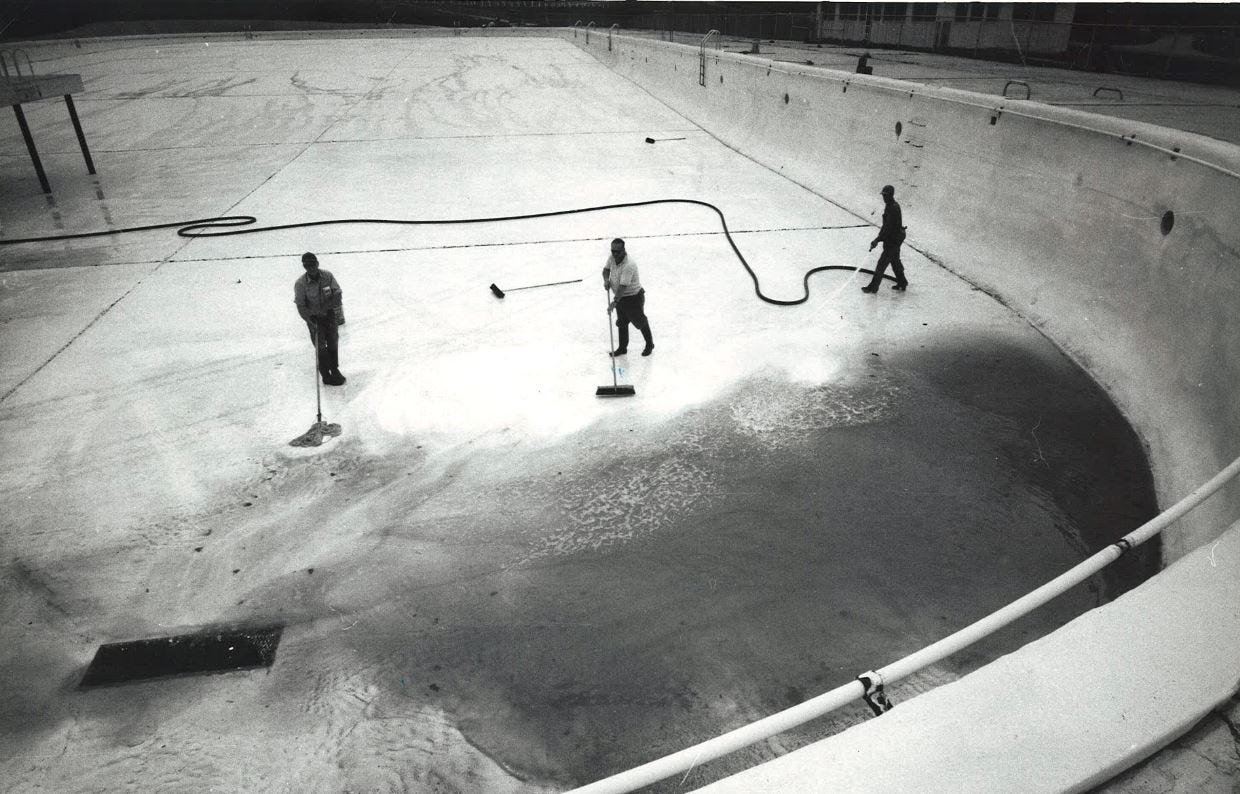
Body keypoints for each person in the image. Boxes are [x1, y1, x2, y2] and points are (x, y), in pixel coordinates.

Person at [294, 252, 346, 385]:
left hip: (329, 316)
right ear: (304, 267)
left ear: (317, 263)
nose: (310, 268)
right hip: (314, 319)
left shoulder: (327, 276)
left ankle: (334, 369)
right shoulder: (300, 284)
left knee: (333, 342)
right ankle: (325, 374)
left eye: (312, 264)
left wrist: (332, 307)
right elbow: (301, 306)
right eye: (307, 266)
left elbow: (337, 293)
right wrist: (309, 322)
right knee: (320, 347)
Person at [602, 238, 654, 357]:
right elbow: (605, 270)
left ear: (624, 250)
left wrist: (613, 303)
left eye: (617, 251)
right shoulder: (612, 258)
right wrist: (606, 280)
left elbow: (622, 287)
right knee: (622, 323)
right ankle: (622, 348)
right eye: (612, 251)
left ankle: (650, 344)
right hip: (620, 298)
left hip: (633, 297)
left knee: (640, 322)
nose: (614, 254)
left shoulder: (629, 264)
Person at [862, 184, 908, 293]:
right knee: (895, 261)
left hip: (893, 240)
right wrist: (878, 239)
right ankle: (902, 282)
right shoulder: (891, 205)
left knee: (882, 264)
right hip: (894, 238)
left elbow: (887, 228)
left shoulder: (893, 208)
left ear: (890, 195)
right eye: (883, 195)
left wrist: (877, 240)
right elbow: (886, 227)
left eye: (885, 195)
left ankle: (873, 287)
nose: (883, 197)